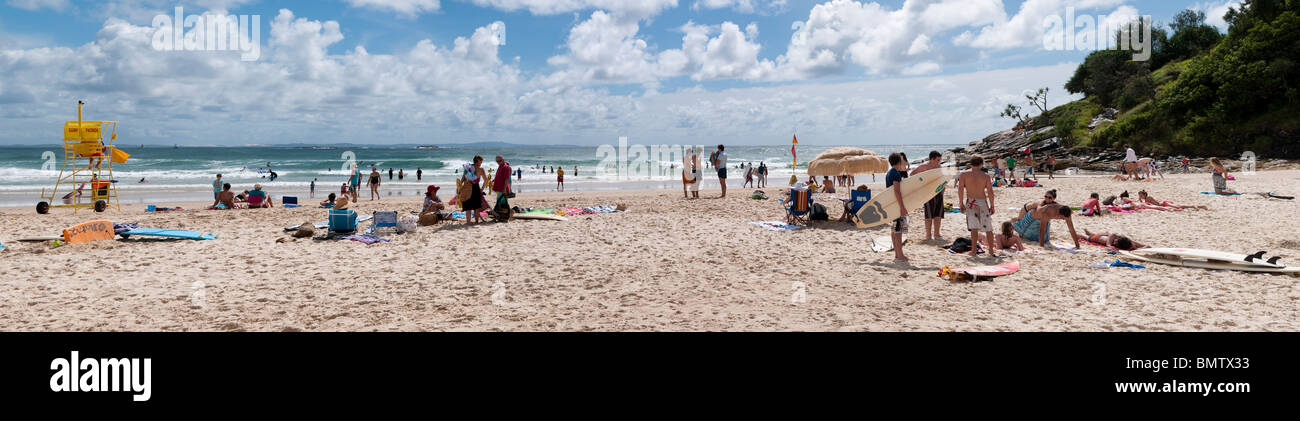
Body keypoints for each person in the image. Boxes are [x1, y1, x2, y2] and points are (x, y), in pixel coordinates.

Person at [958, 156, 997, 258]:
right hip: (982, 202)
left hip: (971, 201)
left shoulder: (964, 174)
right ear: (981, 164)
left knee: (974, 227)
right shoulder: (986, 176)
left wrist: (961, 202)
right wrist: (992, 205)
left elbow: (961, 189)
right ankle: (991, 251)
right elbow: (990, 192)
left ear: (971, 164)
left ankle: (974, 250)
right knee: (988, 227)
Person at [1012, 203, 1080, 249]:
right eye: (1062, 218)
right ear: (1059, 214)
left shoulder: (1067, 212)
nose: (1062, 220)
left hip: (1042, 219)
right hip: (1031, 219)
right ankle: (1013, 221)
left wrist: (1077, 245)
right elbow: (1042, 229)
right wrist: (1041, 246)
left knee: (1045, 239)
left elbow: (1071, 229)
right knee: (1025, 234)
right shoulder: (1049, 211)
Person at [914, 151, 945, 241]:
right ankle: (928, 235)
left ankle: (937, 234)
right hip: (927, 194)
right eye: (937, 160)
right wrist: (921, 183)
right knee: (929, 216)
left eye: (940, 160)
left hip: (938, 193)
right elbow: (912, 175)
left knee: (938, 215)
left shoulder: (939, 167)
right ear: (931, 159)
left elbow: (942, 179)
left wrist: (943, 190)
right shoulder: (924, 167)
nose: (939, 162)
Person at [885, 153, 909, 261]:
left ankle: (897, 254)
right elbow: (897, 191)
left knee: (895, 230)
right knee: (898, 230)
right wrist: (902, 207)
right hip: (896, 205)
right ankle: (900, 255)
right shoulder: (895, 174)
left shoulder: (889, 173)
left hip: (892, 204)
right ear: (899, 162)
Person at [462, 156, 488, 224]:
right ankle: (476, 222)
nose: (481, 163)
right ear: (478, 161)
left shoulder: (467, 167)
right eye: (481, 161)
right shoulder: (481, 169)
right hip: (476, 188)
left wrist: (460, 188)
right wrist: (482, 189)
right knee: (476, 207)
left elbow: (462, 179)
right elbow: (486, 180)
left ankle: (468, 222)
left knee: (468, 207)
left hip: (467, 187)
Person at [1078, 229, 1147, 251]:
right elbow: (1113, 236)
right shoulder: (1111, 239)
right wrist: (1109, 245)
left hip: (1105, 235)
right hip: (1101, 237)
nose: (1114, 242)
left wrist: (1138, 249)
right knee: (1086, 237)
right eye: (1115, 241)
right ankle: (1084, 233)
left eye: (1115, 242)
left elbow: (1147, 246)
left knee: (1095, 235)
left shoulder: (1131, 243)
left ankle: (1089, 232)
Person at [1138, 190, 1207, 211]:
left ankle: (1193, 206)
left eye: (1141, 195)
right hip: (1163, 204)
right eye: (1139, 195)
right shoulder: (1146, 199)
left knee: (1178, 207)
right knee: (1180, 206)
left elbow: (1146, 204)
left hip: (1165, 204)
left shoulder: (1148, 198)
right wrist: (1140, 200)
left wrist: (1140, 200)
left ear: (1144, 195)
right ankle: (1201, 206)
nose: (1140, 196)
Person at [493, 156, 513, 220]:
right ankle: (504, 215)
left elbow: (507, 179)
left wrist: (504, 189)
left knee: (502, 203)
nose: (498, 162)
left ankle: (508, 215)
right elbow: (499, 176)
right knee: (501, 203)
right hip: (499, 188)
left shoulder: (506, 167)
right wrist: (493, 180)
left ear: (503, 160)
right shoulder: (500, 166)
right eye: (497, 161)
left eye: (500, 161)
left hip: (502, 188)